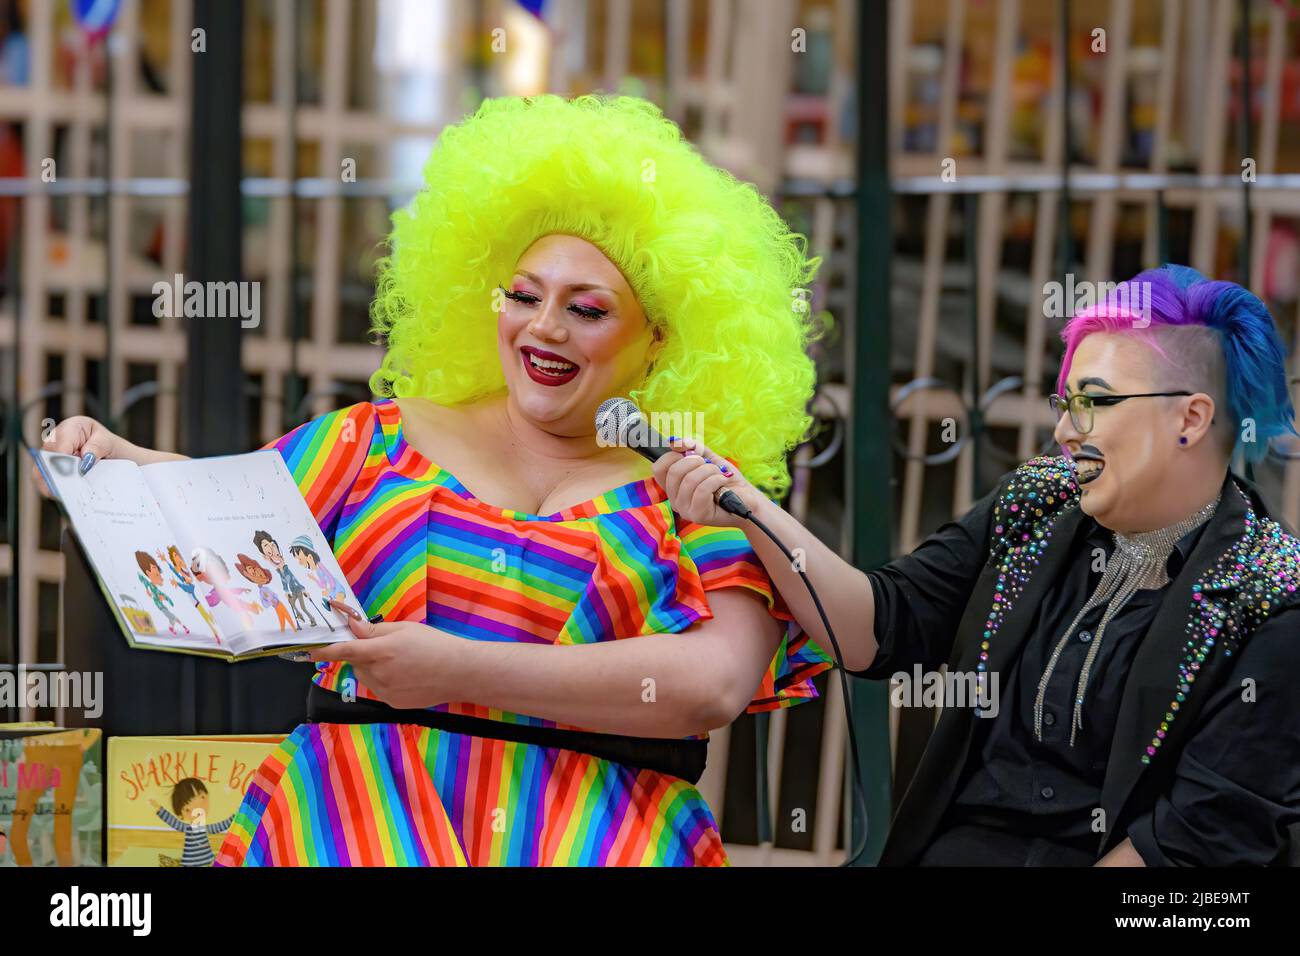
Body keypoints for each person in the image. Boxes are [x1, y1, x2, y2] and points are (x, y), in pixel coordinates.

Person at [34, 94, 832, 866]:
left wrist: (459, 669)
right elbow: (229, 508)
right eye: (522, 296)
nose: (543, 326)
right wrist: (114, 460)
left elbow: (713, 684)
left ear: (661, 336)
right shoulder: (379, 439)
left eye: (586, 310)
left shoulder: (694, 489)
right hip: (349, 824)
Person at [658, 264, 1300, 866]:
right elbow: (881, 627)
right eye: (1063, 403)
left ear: (1190, 418)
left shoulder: (1272, 593)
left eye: (1093, 403)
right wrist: (752, 513)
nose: (1064, 433)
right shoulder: (1038, 502)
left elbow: (1195, 842)